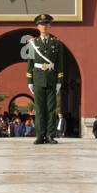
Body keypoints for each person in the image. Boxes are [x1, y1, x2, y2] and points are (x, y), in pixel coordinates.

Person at [26, 13, 65, 144]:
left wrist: (59, 81)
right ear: (37, 27)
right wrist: (29, 82)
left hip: (51, 78)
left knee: (51, 109)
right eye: (42, 24)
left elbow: (59, 65)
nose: (44, 26)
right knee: (39, 109)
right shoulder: (32, 44)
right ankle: (40, 135)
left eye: (47, 24)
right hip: (38, 79)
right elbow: (30, 65)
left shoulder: (57, 44)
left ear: (50, 26)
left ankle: (50, 135)